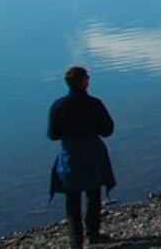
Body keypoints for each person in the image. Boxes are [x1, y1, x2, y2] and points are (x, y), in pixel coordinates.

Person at [48, 66, 116, 247]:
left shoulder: (58, 105)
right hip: (92, 153)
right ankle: (93, 234)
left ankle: (76, 241)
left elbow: (53, 135)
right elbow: (107, 130)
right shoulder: (94, 104)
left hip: (69, 154)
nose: (89, 80)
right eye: (87, 77)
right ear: (83, 82)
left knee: (72, 200)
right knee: (93, 194)